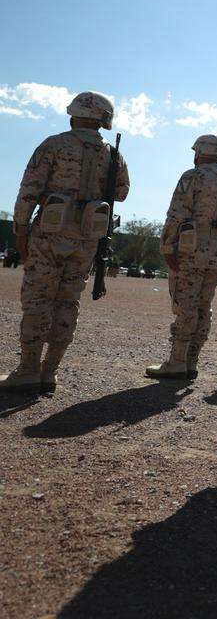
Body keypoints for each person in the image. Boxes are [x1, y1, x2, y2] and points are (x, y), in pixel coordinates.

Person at [0, 92, 130, 394]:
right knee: (67, 302)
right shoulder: (113, 155)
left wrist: (20, 228)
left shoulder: (54, 144)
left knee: (37, 300)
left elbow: (29, 189)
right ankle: (50, 371)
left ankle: (28, 370)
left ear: (73, 114)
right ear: (104, 120)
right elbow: (121, 192)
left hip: (49, 234)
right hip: (86, 239)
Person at [146, 135, 217, 381]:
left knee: (185, 306)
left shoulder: (193, 176)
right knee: (203, 308)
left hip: (190, 251)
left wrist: (167, 247)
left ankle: (176, 361)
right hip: (216, 253)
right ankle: (191, 361)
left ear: (200, 153)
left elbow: (177, 213)